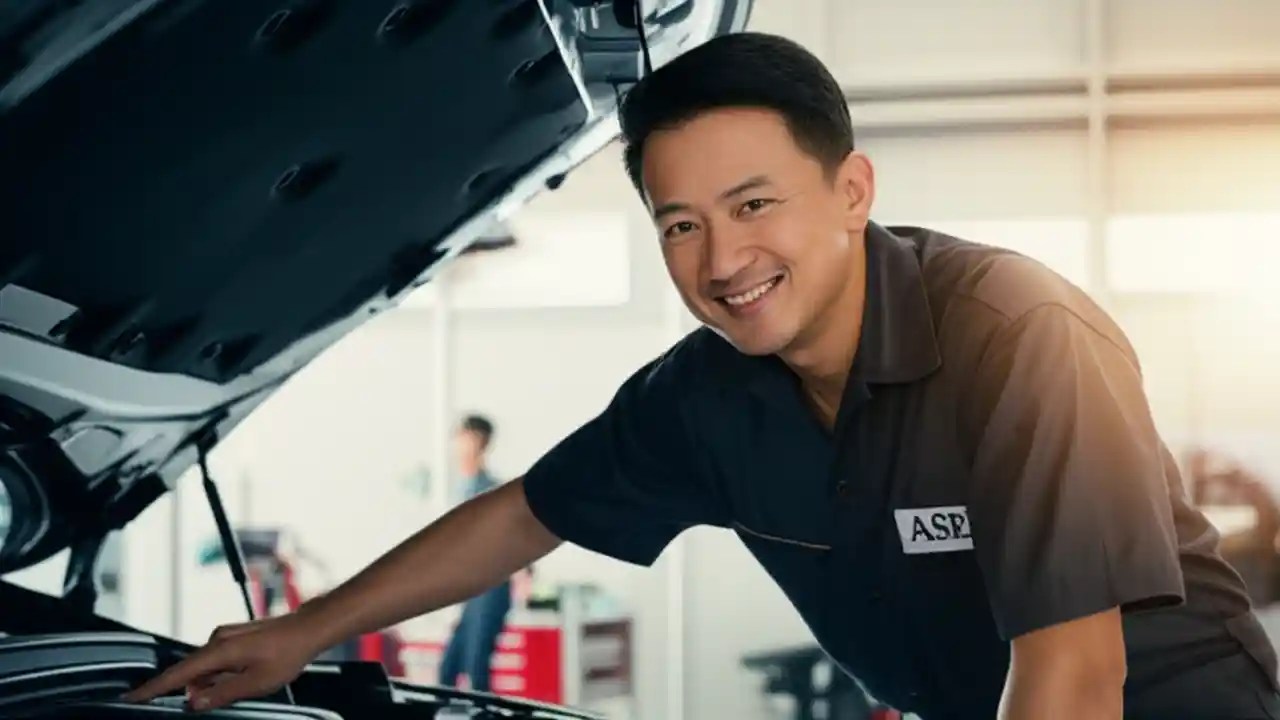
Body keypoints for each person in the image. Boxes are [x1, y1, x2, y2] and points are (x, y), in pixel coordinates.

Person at [125, 32, 1280, 719]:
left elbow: (1074, 676)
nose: (721, 261)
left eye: (752, 205)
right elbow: (527, 514)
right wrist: (305, 632)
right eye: (678, 225)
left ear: (852, 192)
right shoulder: (704, 395)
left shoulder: (1014, 334)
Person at [435, 414, 511, 693]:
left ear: (477, 442)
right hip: (470, 592)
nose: (456, 445)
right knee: (448, 669)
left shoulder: (490, 489)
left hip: (490, 589)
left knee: (476, 669)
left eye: (462, 437)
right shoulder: (461, 488)